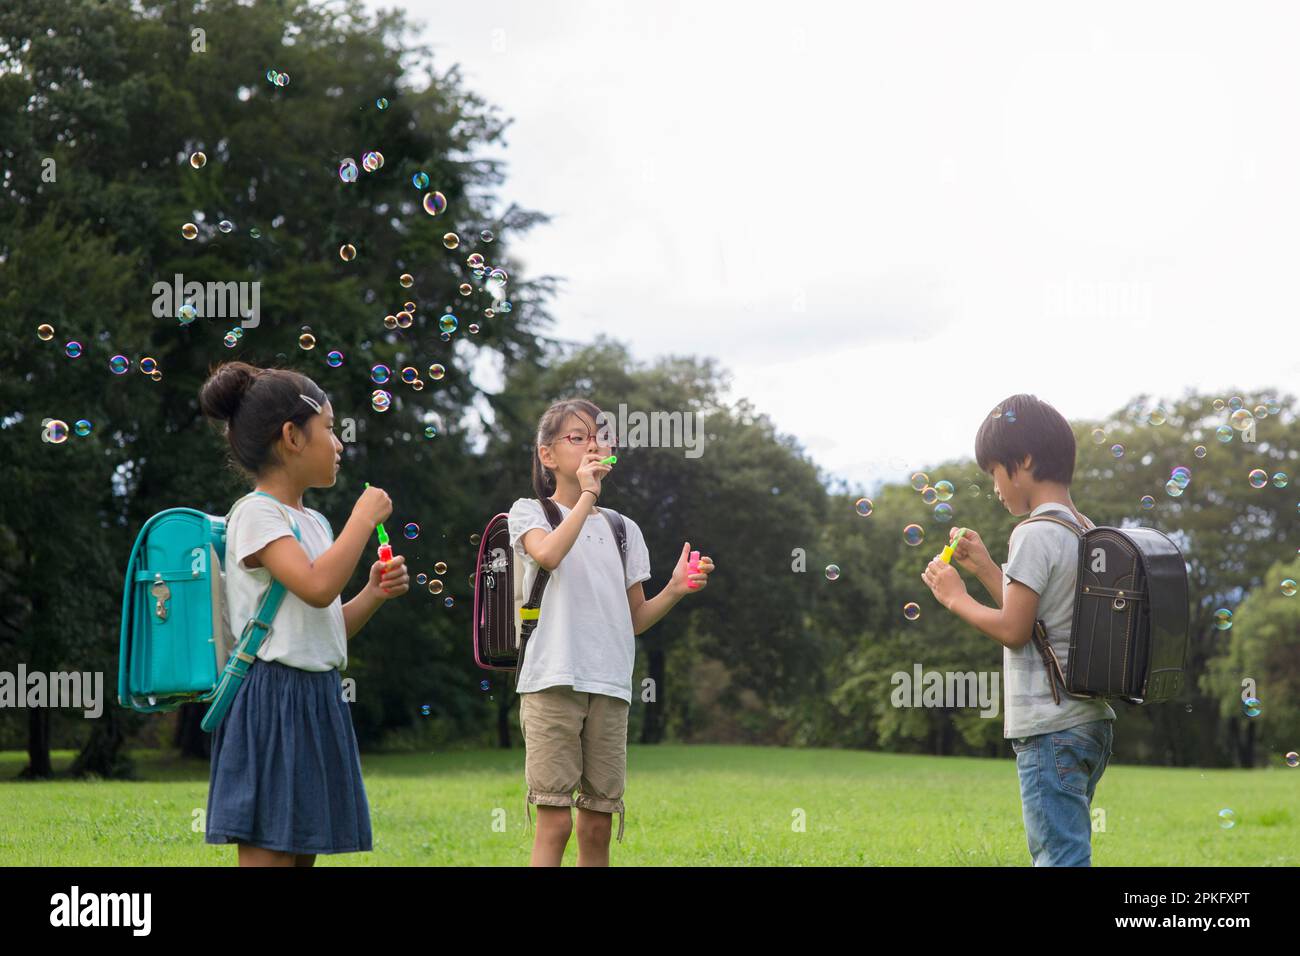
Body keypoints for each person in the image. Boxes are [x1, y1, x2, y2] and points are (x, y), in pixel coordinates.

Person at [198, 361, 409, 866]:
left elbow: (328, 624)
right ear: (292, 436)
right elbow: (316, 586)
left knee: (303, 856)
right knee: (269, 855)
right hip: (271, 698)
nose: (339, 444)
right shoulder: (256, 514)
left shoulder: (313, 521)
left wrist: (371, 595)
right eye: (330, 430)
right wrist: (362, 519)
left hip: (318, 696)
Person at [508, 398, 715, 866]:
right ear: (547, 455)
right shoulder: (529, 513)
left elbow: (635, 619)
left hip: (609, 685)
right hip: (551, 680)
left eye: (600, 437)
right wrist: (585, 496)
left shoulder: (624, 530)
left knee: (598, 823)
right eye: (577, 438)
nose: (592, 446)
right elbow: (549, 555)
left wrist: (675, 589)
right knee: (555, 820)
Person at [921, 393, 1115, 866]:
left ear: (1023, 461)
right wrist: (988, 568)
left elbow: (1014, 629)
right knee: (1067, 847)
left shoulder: (1031, 532)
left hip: (1050, 728)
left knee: (1058, 857)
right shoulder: (1082, 530)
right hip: (1089, 723)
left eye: (994, 472)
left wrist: (955, 597)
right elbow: (1038, 617)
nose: (994, 487)